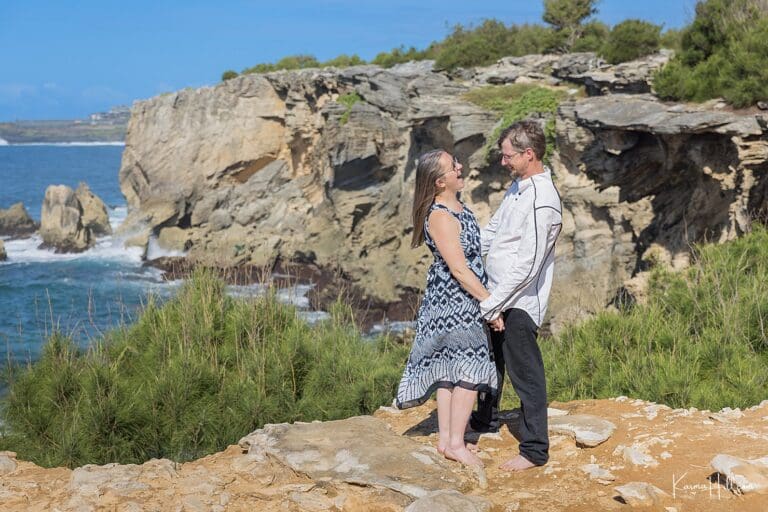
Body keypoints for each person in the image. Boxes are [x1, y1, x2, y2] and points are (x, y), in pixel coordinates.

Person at [470, 120, 563, 472]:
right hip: (495, 296)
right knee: (490, 361)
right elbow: (492, 234)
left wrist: (493, 303)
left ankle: (535, 449)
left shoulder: (543, 200)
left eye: (508, 156)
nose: (503, 161)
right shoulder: (518, 188)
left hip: (519, 303)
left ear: (529, 154)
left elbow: (528, 265)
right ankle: (485, 419)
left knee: (526, 374)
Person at [396, 149, 498, 467]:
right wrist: (491, 304)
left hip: (454, 299)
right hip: (456, 302)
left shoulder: (457, 208)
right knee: (468, 368)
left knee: (449, 370)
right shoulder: (440, 215)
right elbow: (460, 270)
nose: (461, 166)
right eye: (454, 166)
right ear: (441, 182)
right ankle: (455, 443)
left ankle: (446, 440)